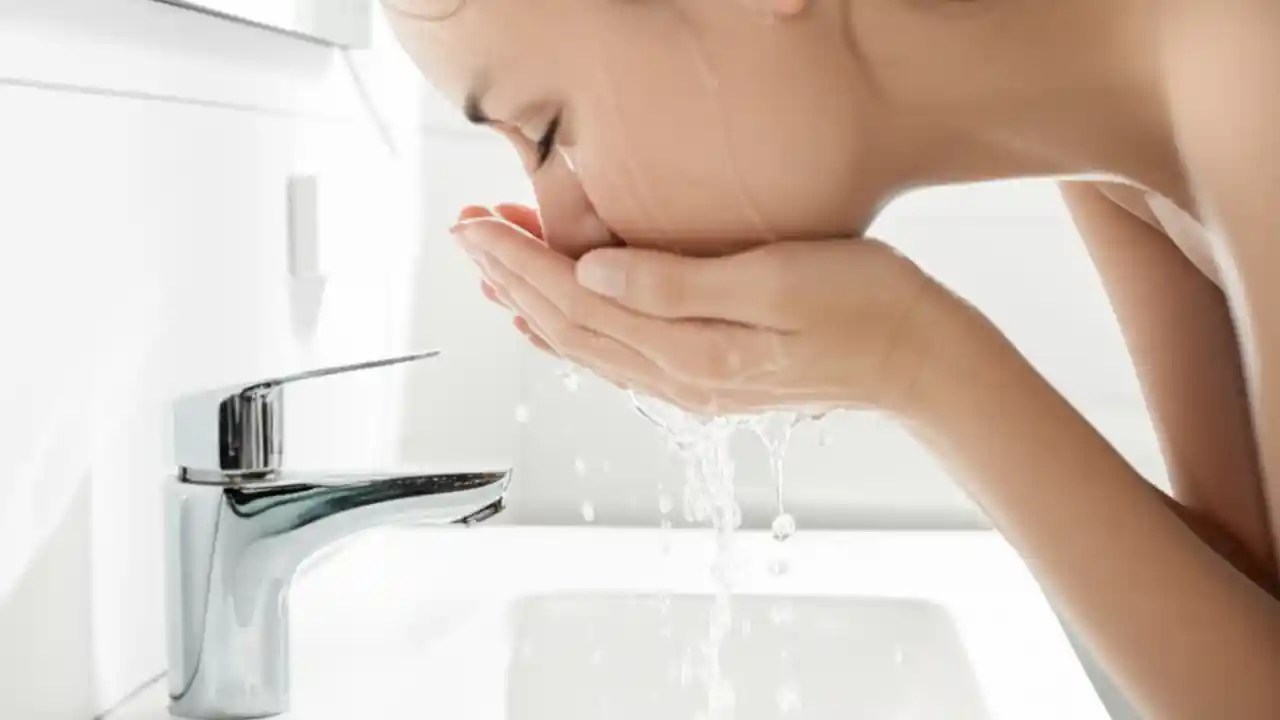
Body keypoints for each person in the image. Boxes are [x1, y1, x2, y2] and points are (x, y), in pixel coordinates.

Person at [384, 1, 1280, 716]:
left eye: (548, 134)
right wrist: (904, 360)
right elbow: (1242, 637)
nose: (569, 228)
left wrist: (918, 361)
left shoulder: (1254, 72)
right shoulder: (1116, 146)